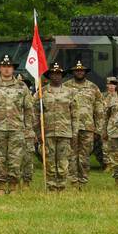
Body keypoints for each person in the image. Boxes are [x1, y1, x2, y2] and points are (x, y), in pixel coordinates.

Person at [0, 55, 33, 195]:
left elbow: (28, 109)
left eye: (9, 67)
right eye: (4, 66)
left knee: (15, 159)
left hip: (17, 129)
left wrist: (28, 129)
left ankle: (14, 186)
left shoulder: (22, 87)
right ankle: (1, 187)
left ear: (13, 69)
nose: (6, 69)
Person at [66, 61, 104, 190]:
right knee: (71, 155)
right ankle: (73, 181)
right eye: (77, 71)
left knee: (84, 156)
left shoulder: (93, 88)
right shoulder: (66, 87)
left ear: (85, 72)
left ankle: (83, 181)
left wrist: (99, 129)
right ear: (73, 72)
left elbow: (99, 110)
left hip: (87, 128)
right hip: (70, 127)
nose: (79, 72)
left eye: (82, 70)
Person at [38, 63, 75, 191]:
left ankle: (61, 185)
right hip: (48, 132)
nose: (56, 76)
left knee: (63, 160)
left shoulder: (70, 92)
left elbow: (75, 114)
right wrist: (38, 132)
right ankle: (51, 185)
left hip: (65, 132)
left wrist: (74, 132)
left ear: (62, 76)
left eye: (59, 74)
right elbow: (35, 111)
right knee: (49, 160)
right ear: (49, 76)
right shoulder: (42, 92)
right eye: (53, 74)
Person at [102, 75, 118, 187]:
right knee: (116, 158)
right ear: (116, 85)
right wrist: (104, 131)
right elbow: (105, 116)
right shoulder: (109, 98)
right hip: (113, 131)